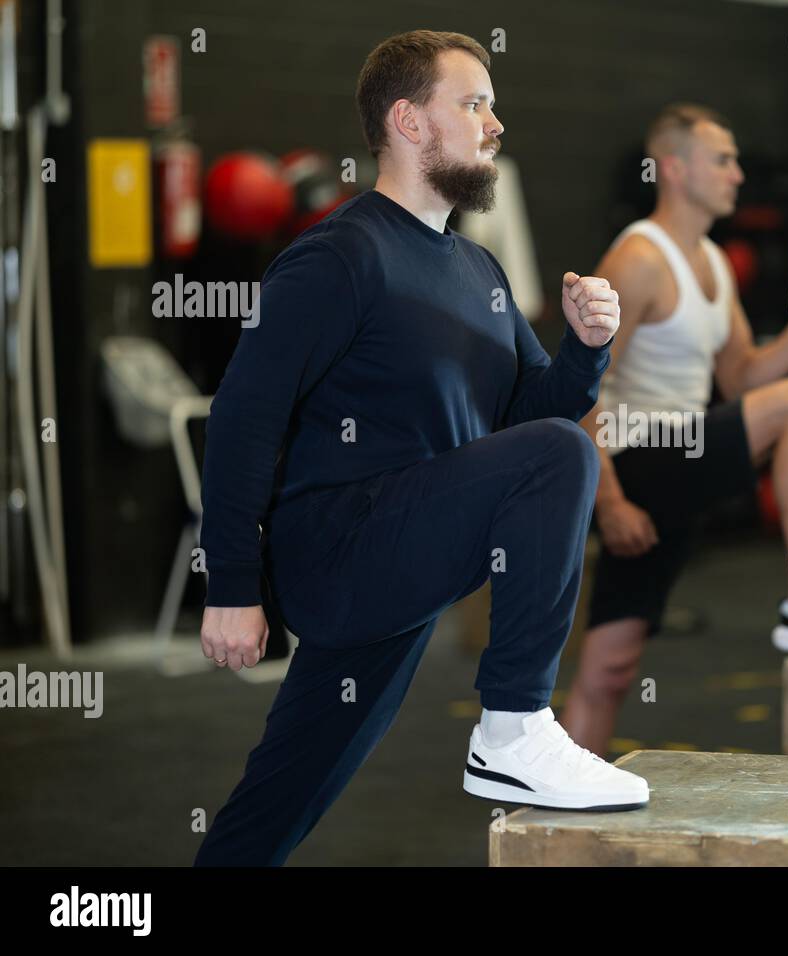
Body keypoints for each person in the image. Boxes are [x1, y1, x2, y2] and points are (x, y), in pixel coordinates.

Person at [194, 30, 646, 867]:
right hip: (341, 550)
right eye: (473, 103)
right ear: (407, 121)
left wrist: (585, 346)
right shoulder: (340, 255)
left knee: (275, 806)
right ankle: (513, 729)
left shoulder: (479, 271)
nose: (494, 123)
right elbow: (243, 417)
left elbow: (533, 414)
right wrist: (229, 584)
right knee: (560, 453)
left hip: (407, 550)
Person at [560, 104, 788, 757]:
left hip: (685, 460)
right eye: (722, 159)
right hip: (641, 456)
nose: (737, 173)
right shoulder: (638, 258)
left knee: (610, 663)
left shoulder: (717, 263)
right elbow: (580, 386)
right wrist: (608, 501)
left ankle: (560, 823)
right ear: (674, 167)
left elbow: (745, 379)